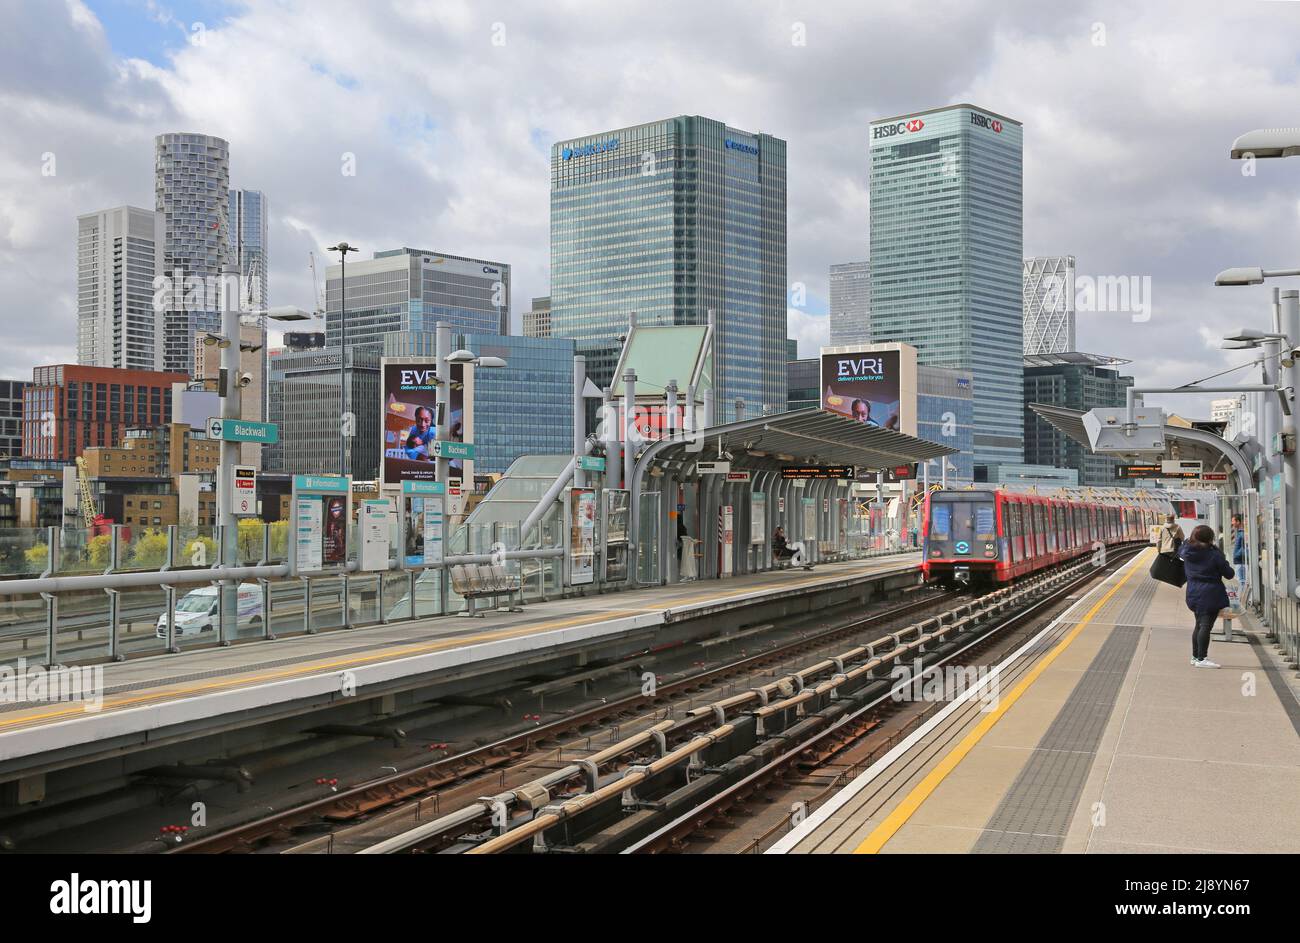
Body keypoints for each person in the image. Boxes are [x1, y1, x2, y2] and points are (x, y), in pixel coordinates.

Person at [1178, 524, 1233, 669]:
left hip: (1193, 592)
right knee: (1205, 626)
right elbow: (1229, 573)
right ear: (1210, 538)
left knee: (1199, 624)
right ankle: (1202, 658)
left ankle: (1195, 656)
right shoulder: (1213, 555)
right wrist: (1220, 556)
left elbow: (1183, 546)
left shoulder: (1187, 551)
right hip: (1210, 594)